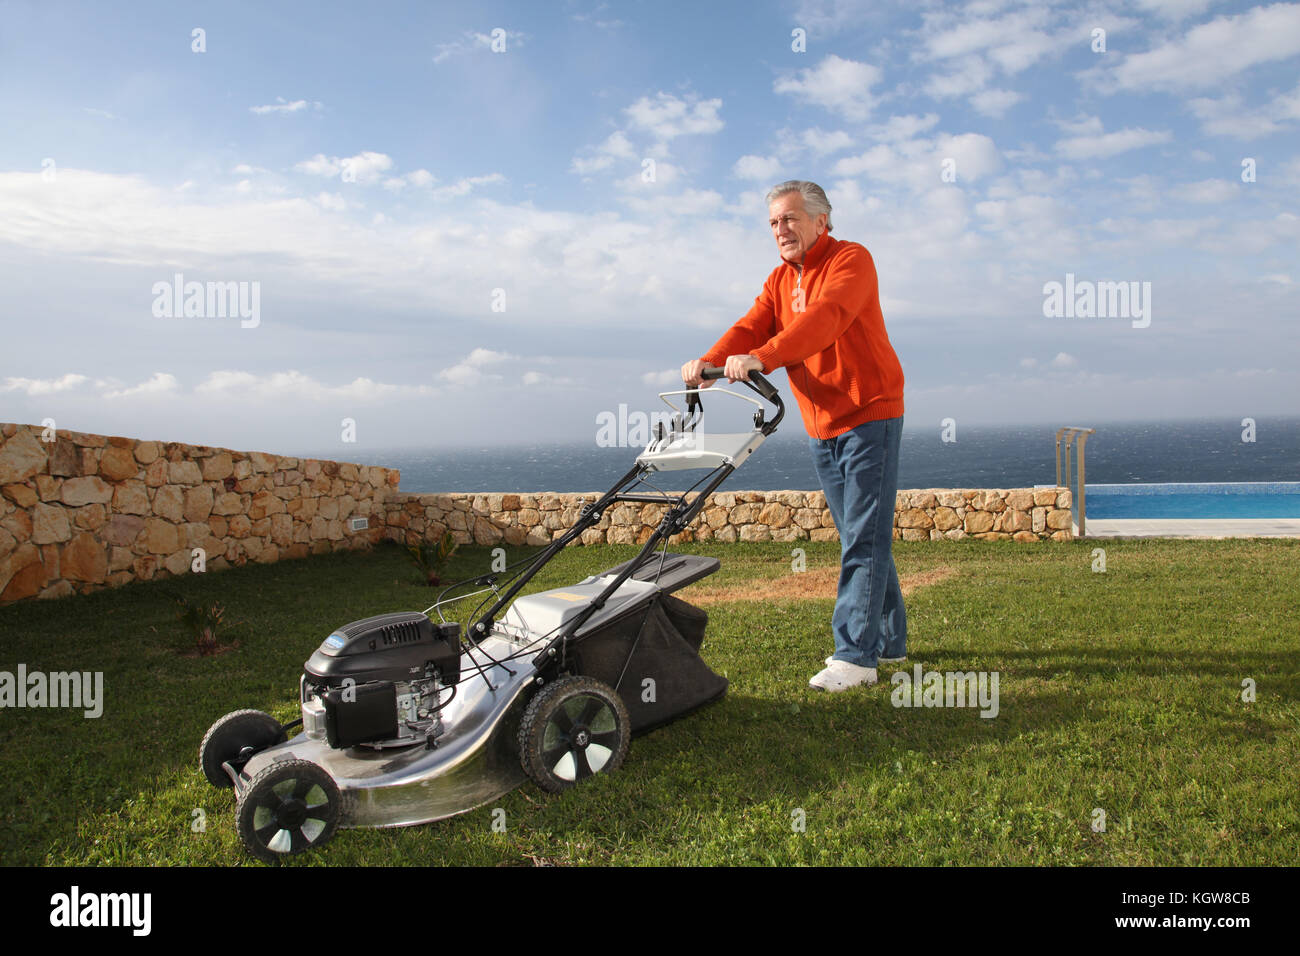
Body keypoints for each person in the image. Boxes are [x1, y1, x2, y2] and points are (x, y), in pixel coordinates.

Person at [681, 180, 906, 692]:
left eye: (791, 218)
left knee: (864, 538)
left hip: (870, 414)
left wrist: (765, 358)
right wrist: (709, 364)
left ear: (821, 221)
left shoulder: (852, 260)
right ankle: (889, 641)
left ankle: (855, 656)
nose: (781, 229)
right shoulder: (779, 280)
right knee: (860, 536)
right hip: (821, 423)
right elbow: (751, 325)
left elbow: (827, 320)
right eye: (774, 223)